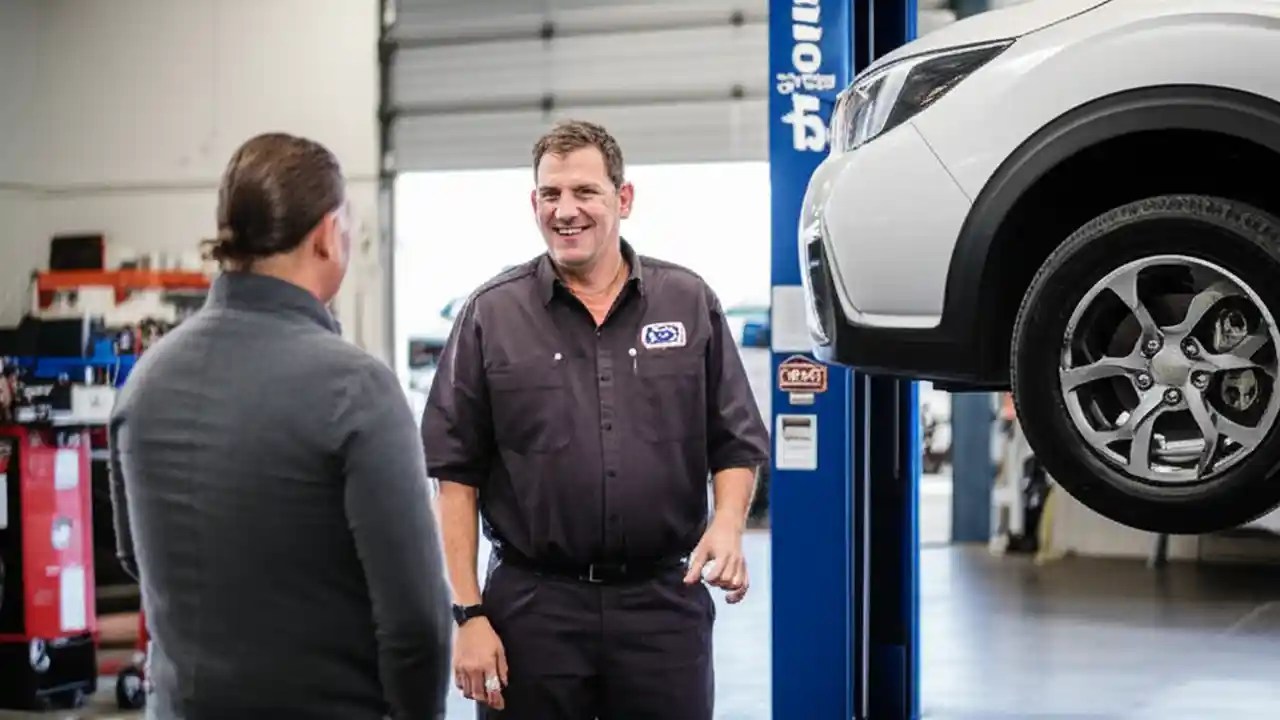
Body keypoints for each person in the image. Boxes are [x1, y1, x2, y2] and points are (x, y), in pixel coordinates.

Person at [422, 119, 770, 719]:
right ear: (534, 203)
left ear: (623, 199)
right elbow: (455, 477)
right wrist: (469, 613)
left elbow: (735, 439)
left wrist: (729, 524)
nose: (566, 211)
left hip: (664, 604)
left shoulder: (688, 302)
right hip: (533, 609)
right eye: (551, 194)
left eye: (585, 192)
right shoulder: (490, 316)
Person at [108, 132, 453, 720]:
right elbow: (417, 623)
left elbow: (137, 560)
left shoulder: (143, 382)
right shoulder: (356, 389)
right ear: (326, 234)